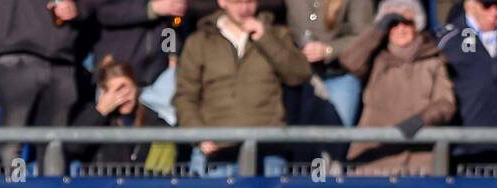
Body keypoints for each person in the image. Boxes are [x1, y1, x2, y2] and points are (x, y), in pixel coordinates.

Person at [174, 0, 312, 175]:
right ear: (222, 2)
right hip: (217, 149)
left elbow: (299, 74)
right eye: (237, 2)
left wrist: (266, 38)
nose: (244, 8)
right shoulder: (200, 41)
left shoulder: (277, 34)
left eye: (250, 1)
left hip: (268, 148)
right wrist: (197, 133)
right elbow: (185, 96)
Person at [339, 0, 456, 174]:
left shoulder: (433, 59)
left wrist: (420, 121)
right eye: (393, 23)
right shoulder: (375, 58)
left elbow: (445, 103)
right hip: (375, 157)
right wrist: (376, 30)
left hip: (417, 159)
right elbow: (349, 62)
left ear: (417, 25)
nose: (401, 28)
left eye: (407, 23)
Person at [0, 0, 87, 167]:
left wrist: (79, 7)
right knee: (13, 141)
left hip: (62, 59)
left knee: (53, 141)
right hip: (15, 55)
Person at [437, 0, 497, 164]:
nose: (495, 12)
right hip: (465, 151)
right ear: (469, 5)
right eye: (487, 6)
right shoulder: (448, 42)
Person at [70, 55, 176, 171]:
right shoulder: (95, 118)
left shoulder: (151, 120)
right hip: (102, 186)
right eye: (117, 91)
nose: (124, 96)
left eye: (126, 88)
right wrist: (100, 111)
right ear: (104, 93)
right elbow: (71, 148)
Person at [285, 0, 373, 126]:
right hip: (298, 76)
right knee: (298, 137)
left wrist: (329, 50)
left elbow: (364, 36)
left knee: (336, 135)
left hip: (338, 75)